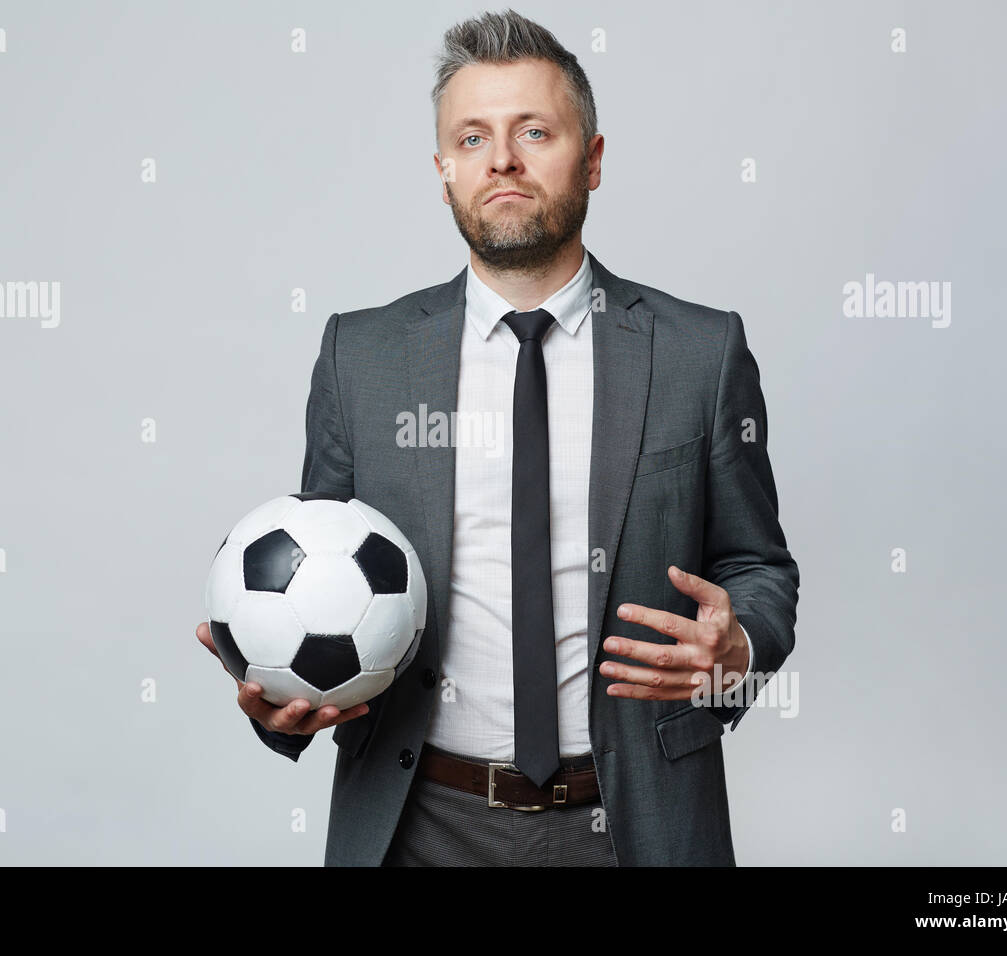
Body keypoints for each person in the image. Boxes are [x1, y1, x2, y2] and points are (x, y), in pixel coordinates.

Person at [196, 8, 798, 866]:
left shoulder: (700, 354)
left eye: (534, 131)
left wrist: (734, 651)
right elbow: (319, 573)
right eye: (472, 138)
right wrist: (279, 702)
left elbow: (759, 567)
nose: (502, 159)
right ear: (443, 172)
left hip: (636, 826)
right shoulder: (359, 358)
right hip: (419, 824)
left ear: (591, 159)